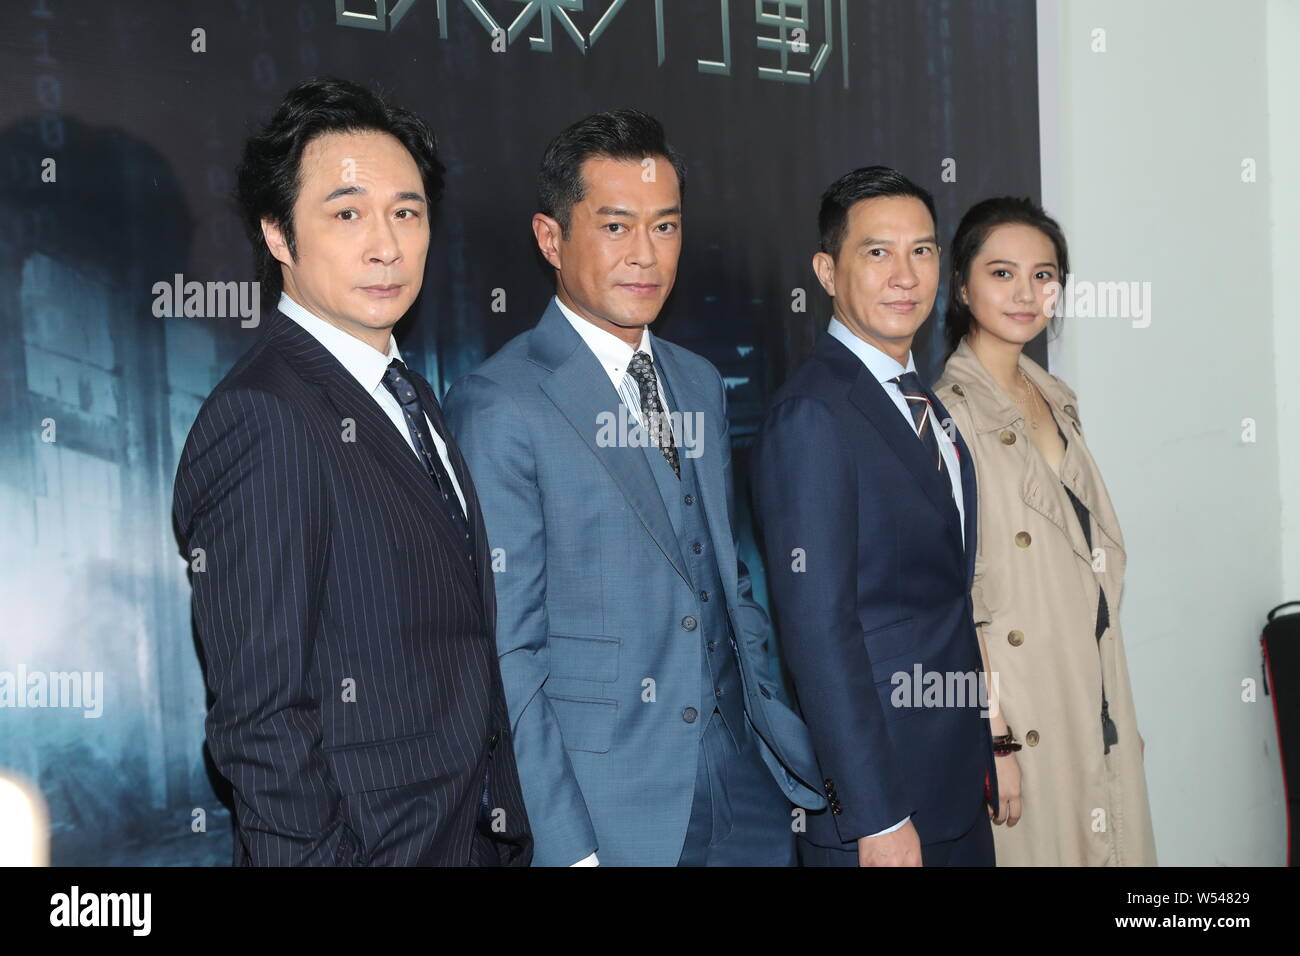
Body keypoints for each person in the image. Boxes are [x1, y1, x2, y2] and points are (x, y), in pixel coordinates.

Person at [443, 108, 824, 866]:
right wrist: (564, 846)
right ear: (552, 239)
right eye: (616, 227)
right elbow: (507, 652)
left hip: (743, 786)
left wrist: (767, 731)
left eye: (666, 227)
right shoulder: (502, 402)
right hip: (607, 811)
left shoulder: (700, 382)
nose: (646, 255)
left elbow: (725, 573)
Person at [172, 77, 531, 866]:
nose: (386, 245)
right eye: (345, 214)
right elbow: (261, 721)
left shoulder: (410, 395)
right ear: (275, 233)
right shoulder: (264, 415)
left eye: (407, 212)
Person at [752, 166, 997, 867]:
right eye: (877, 252)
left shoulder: (924, 401)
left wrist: (989, 746)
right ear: (828, 271)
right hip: (881, 807)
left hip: (952, 780)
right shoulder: (813, 413)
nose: (905, 275)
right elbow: (817, 632)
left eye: (921, 251)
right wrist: (877, 813)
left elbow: (947, 598)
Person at [933, 196, 1157, 865]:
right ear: (963, 287)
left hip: (1090, 683)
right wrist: (995, 737)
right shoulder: (948, 416)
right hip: (1024, 705)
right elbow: (955, 598)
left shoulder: (1054, 397)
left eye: (1044, 274)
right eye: (1003, 273)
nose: (1027, 293)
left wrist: (1115, 709)